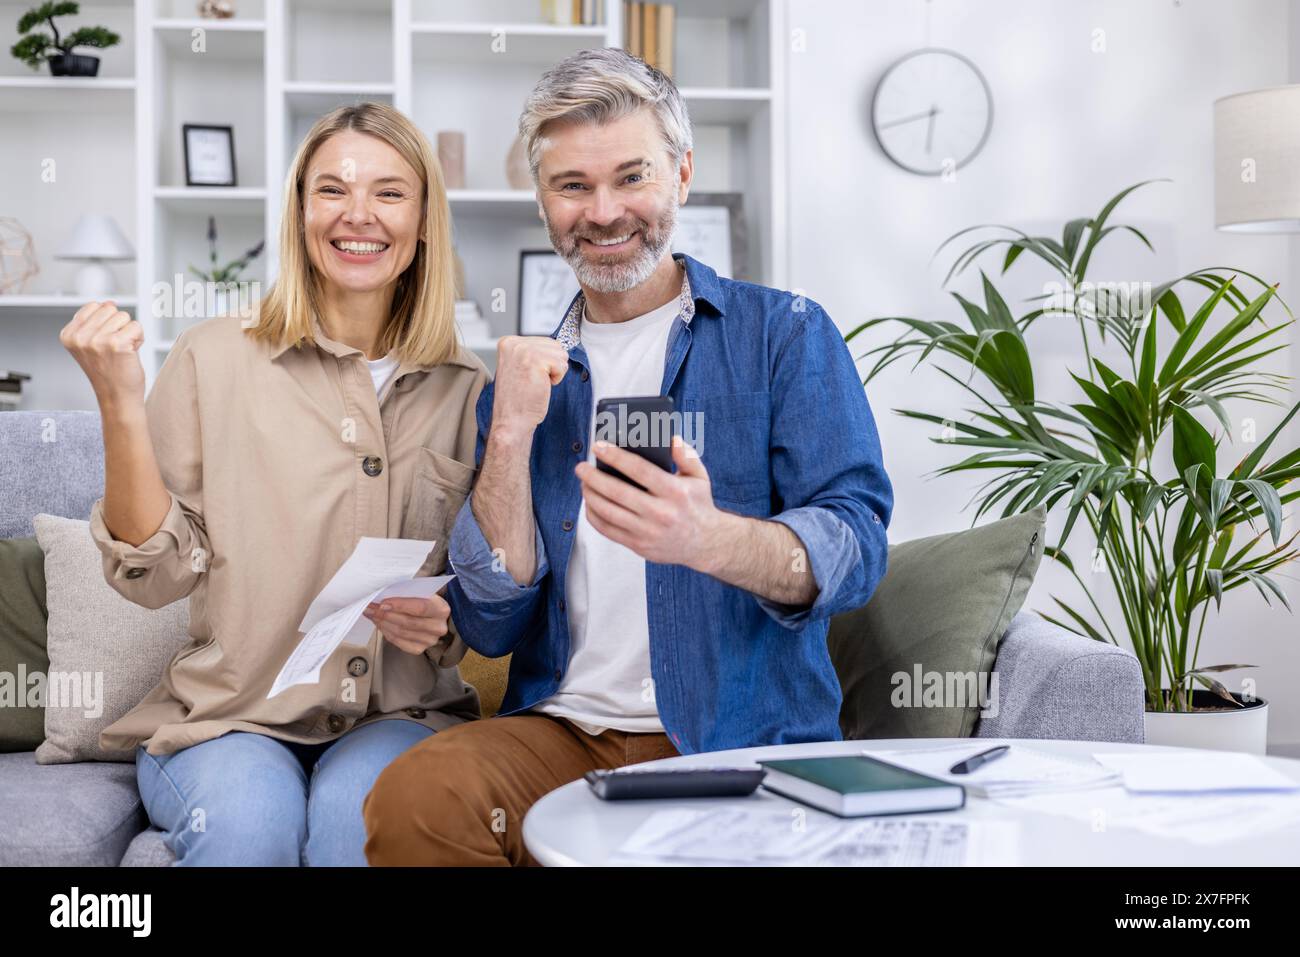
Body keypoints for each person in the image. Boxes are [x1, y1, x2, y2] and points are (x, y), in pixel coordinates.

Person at [362, 48, 893, 867]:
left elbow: (856, 550)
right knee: (415, 797)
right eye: (572, 185)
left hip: (738, 741)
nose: (604, 212)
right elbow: (493, 623)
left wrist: (710, 539)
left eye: (630, 177)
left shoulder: (783, 332)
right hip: (564, 734)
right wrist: (507, 435)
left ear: (681, 174)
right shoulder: (523, 372)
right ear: (542, 200)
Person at [60, 102, 488, 866]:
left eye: (390, 193)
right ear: (299, 213)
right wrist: (119, 403)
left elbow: (480, 590)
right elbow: (152, 575)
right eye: (332, 190)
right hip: (230, 718)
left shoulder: (467, 388)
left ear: (424, 220)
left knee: (362, 826)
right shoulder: (210, 357)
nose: (359, 214)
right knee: (252, 829)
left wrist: (445, 621)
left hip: (396, 714)